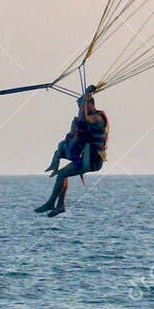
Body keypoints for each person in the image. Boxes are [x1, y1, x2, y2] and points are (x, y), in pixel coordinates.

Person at [35, 89, 109, 217]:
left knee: (63, 173)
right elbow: (80, 125)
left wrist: (86, 96)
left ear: (90, 104)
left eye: (82, 106)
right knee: (63, 171)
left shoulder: (98, 118)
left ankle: (53, 203)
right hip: (85, 157)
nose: (80, 109)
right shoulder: (88, 116)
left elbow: (85, 120)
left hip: (92, 161)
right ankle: (59, 205)